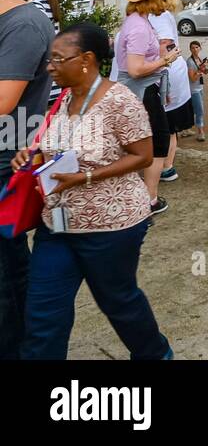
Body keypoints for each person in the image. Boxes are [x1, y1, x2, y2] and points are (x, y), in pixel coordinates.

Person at [16, 23, 171, 360]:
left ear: (86, 60)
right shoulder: (64, 98)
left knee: (119, 303)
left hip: (111, 227)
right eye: (50, 59)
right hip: (57, 225)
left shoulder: (120, 100)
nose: (50, 67)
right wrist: (32, 154)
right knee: (42, 313)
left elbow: (143, 156)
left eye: (58, 59)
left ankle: (155, 354)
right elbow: (59, 146)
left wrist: (86, 177)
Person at [0, 0, 56, 359]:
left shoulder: (23, 24)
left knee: (7, 273)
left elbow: (3, 102)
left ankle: (17, 348)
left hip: (6, 162)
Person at [112, 0, 181, 216]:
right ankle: (148, 199)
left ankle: (141, 197)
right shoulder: (139, 27)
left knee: (145, 141)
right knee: (158, 141)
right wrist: (165, 60)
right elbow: (135, 69)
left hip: (143, 89)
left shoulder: (137, 21)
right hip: (140, 90)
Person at [153, 0, 194, 185]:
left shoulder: (158, 16)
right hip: (170, 72)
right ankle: (166, 166)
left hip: (166, 74)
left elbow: (165, 46)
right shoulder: (165, 14)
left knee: (166, 126)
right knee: (169, 126)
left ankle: (165, 168)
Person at [20, 0, 62, 104]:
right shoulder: (46, 4)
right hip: (51, 83)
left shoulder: (35, 7)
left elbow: (32, 46)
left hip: (41, 86)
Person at [186, 40, 208, 142]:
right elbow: (192, 78)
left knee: (193, 109)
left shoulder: (199, 59)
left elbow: (205, 72)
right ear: (190, 49)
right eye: (192, 48)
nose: (195, 49)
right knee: (200, 110)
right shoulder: (190, 62)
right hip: (194, 90)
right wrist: (200, 70)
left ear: (200, 48)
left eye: (197, 47)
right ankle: (200, 132)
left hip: (200, 88)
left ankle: (186, 129)